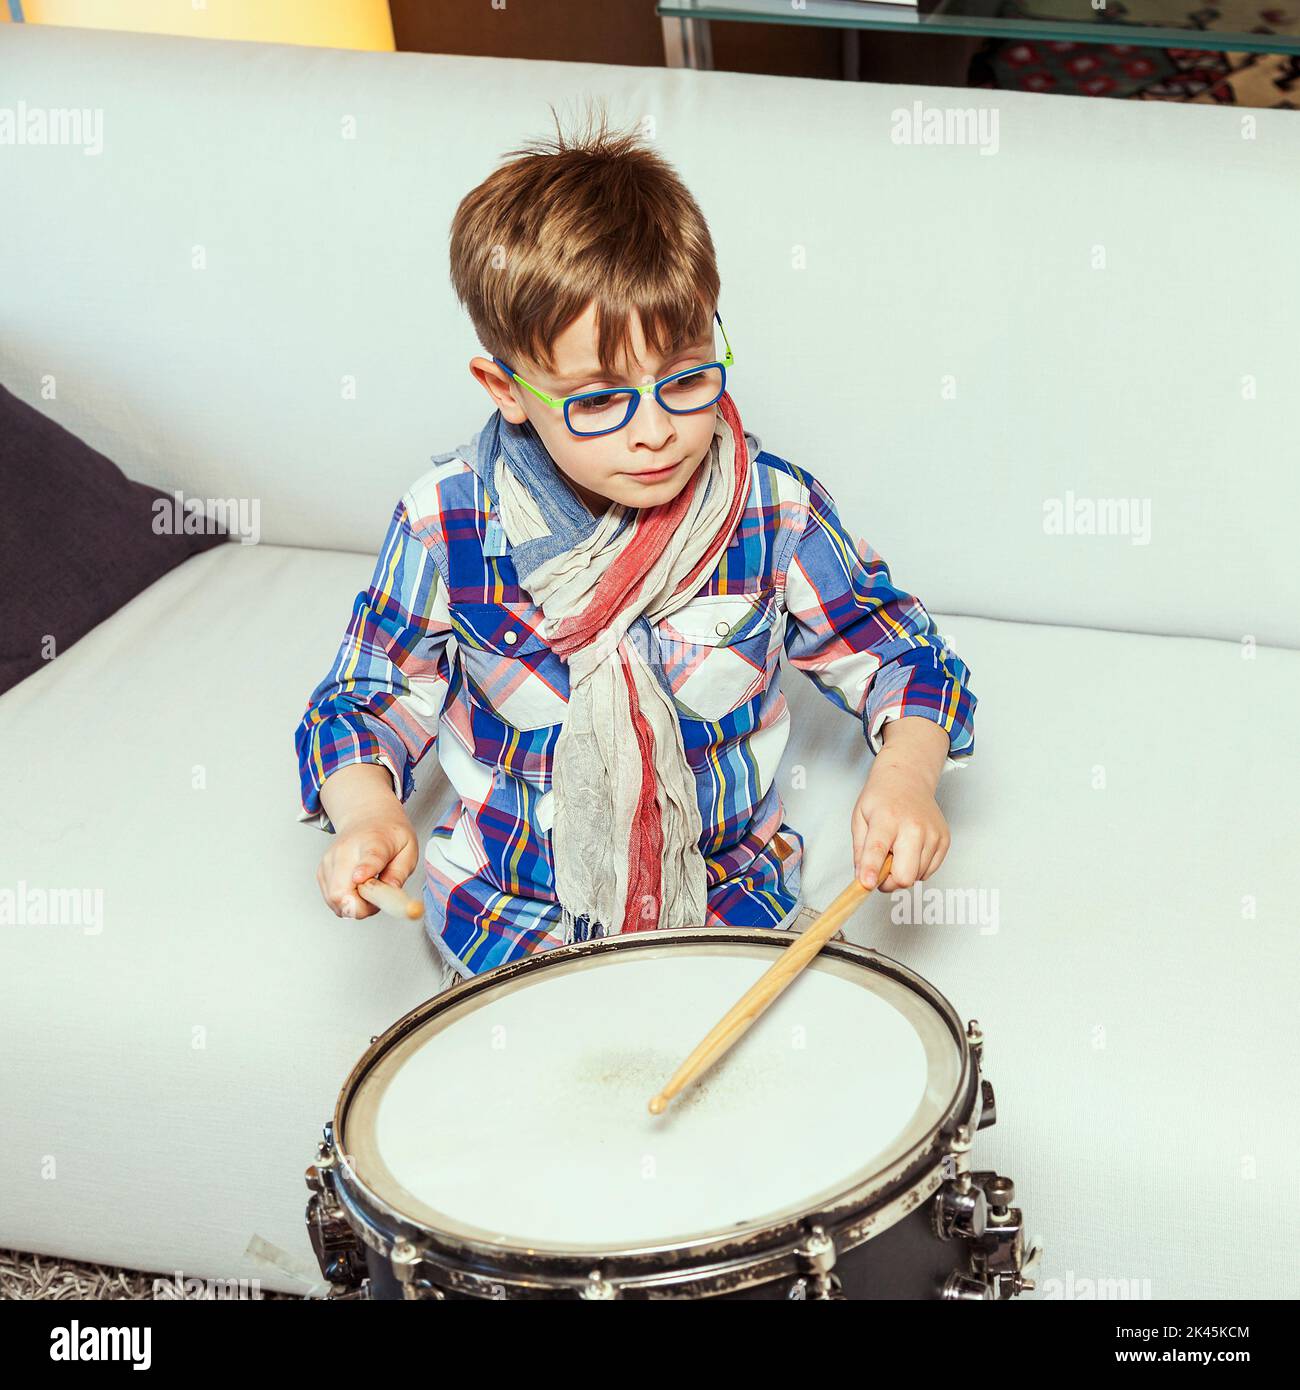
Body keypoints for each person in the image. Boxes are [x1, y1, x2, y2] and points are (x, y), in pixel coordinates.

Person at [294, 109, 976, 992]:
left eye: (687, 379)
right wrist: (367, 813)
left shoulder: (772, 508)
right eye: (598, 400)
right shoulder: (445, 520)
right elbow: (367, 695)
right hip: (516, 918)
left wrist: (907, 778)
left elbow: (903, 656)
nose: (655, 433)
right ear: (505, 387)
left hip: (732, 905)